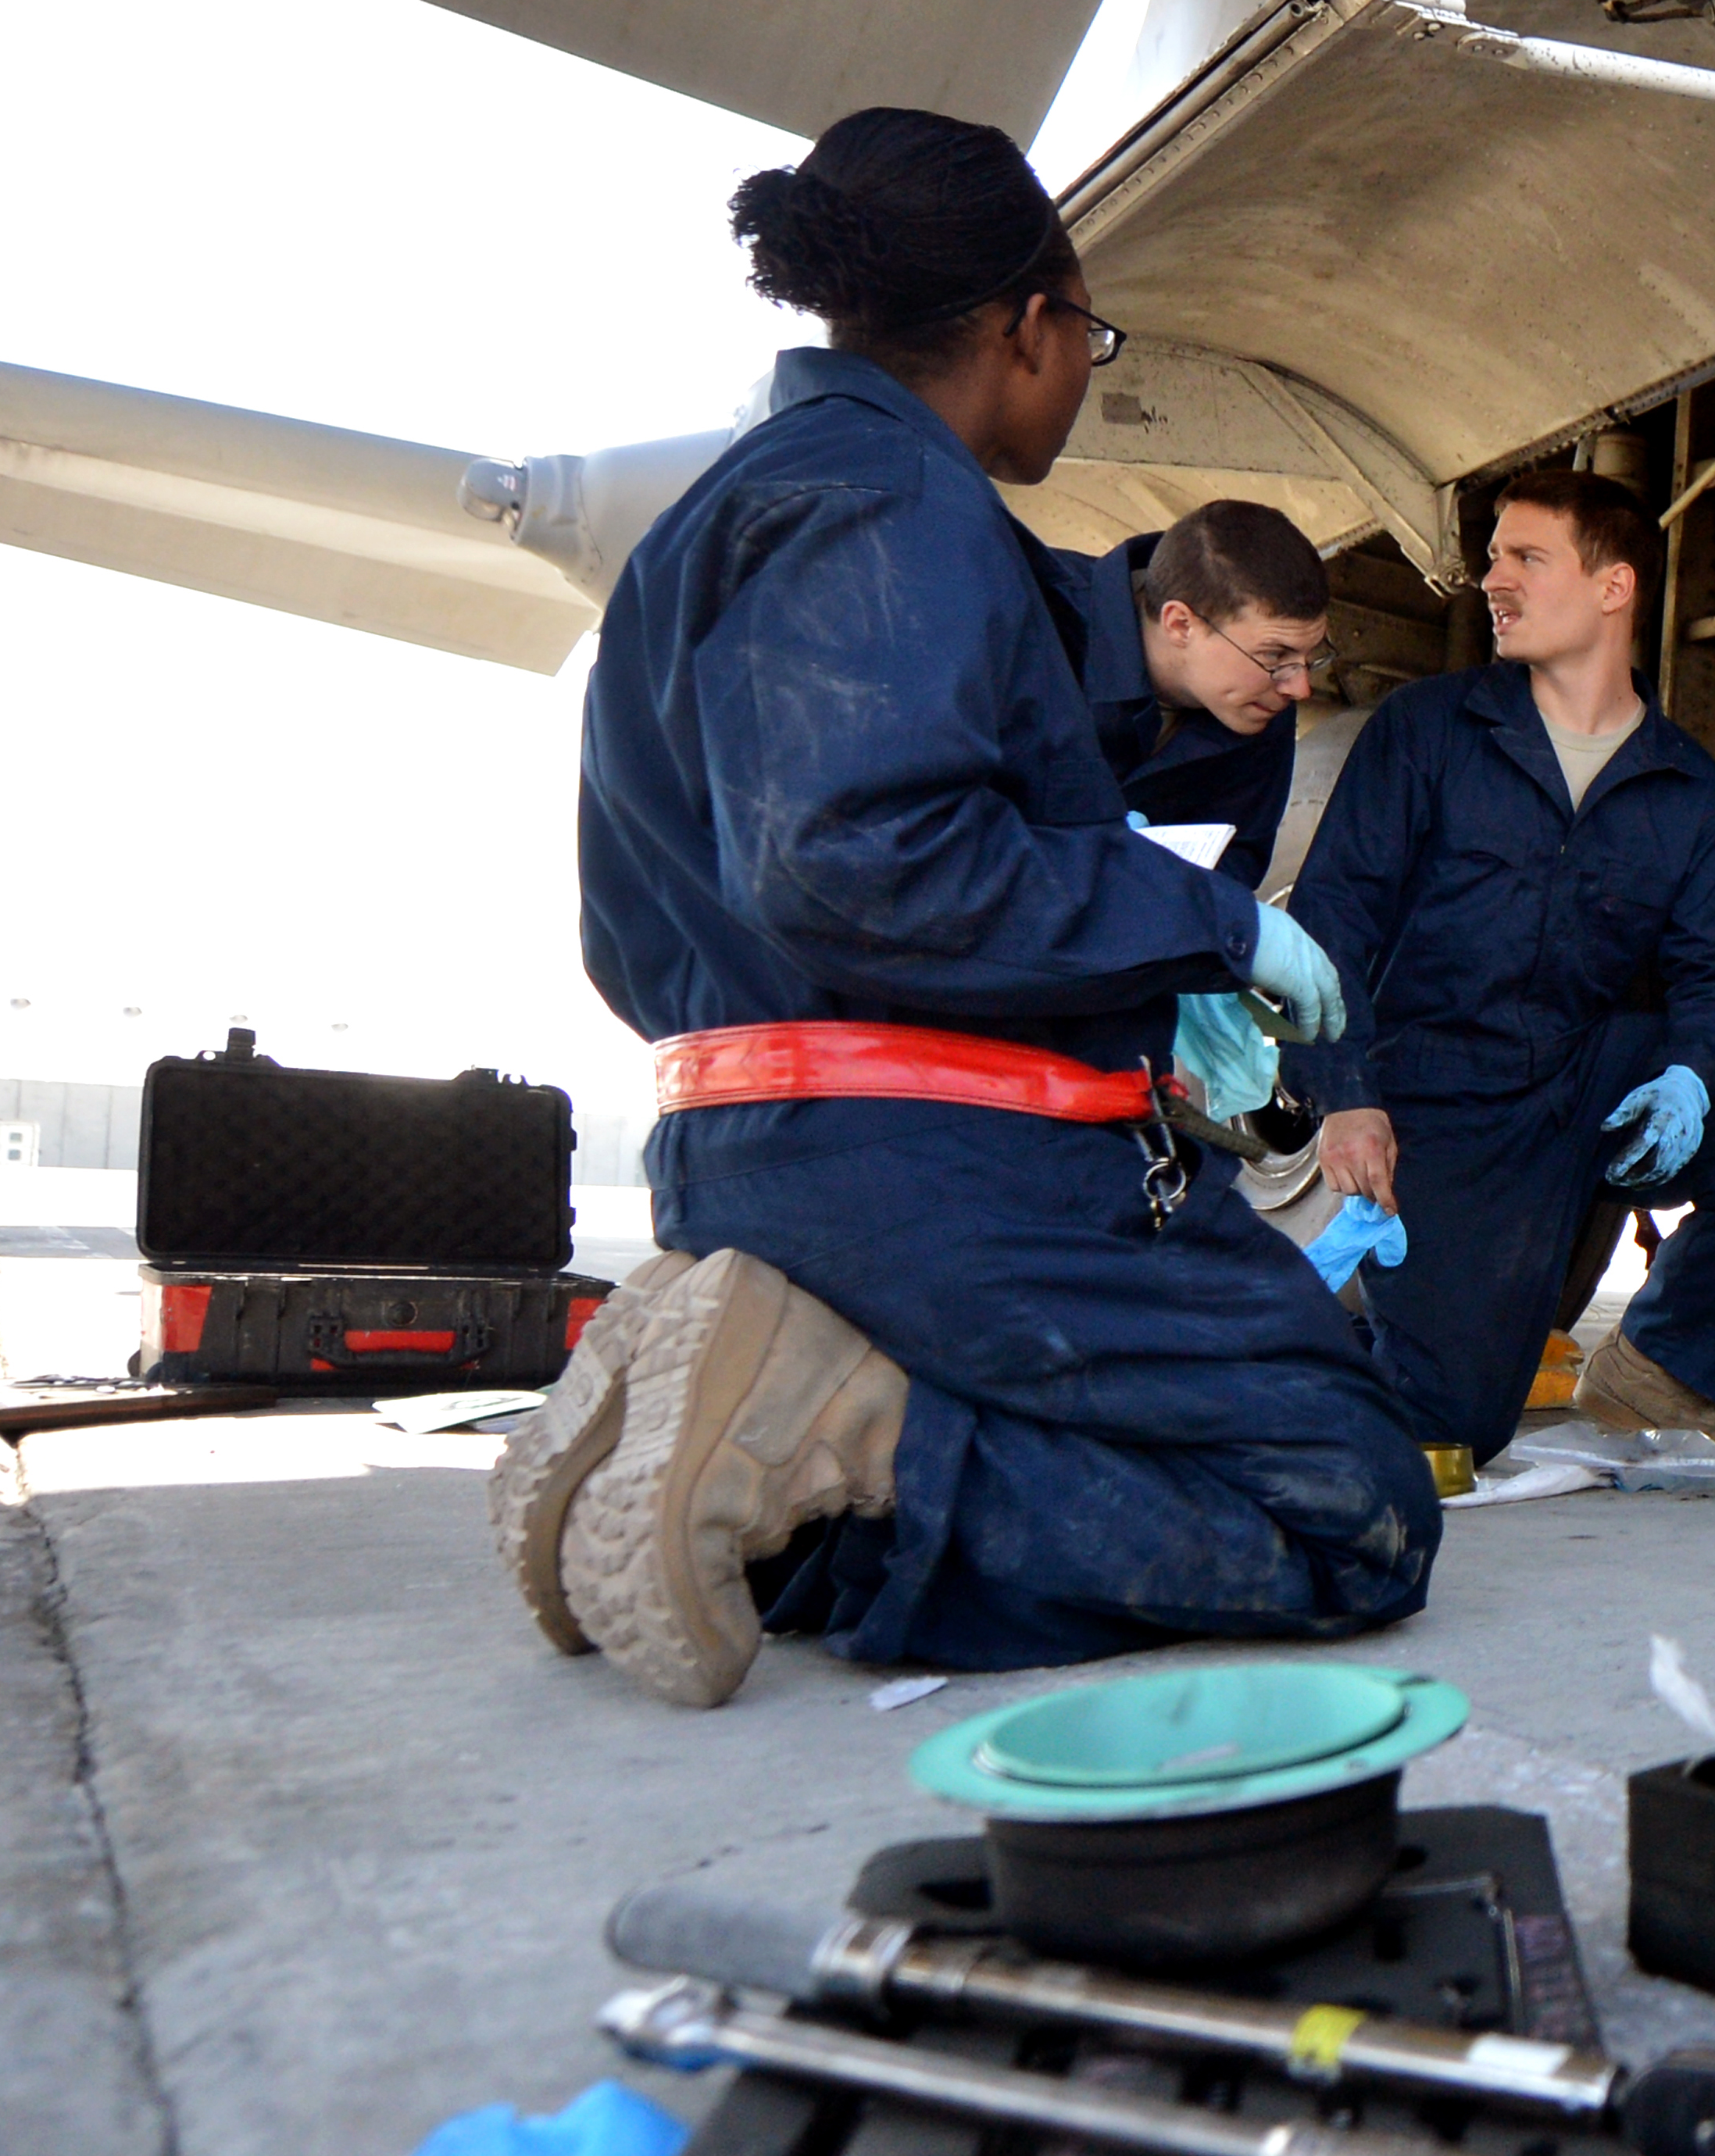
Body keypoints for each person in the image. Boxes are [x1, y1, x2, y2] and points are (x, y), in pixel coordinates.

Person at [490, 106, 1439, 1708]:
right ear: (1030, 325)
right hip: (944, 1166)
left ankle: (734, 1467)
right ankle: (851, 1416)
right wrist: (1208, 932)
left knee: (1103, 1442)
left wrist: (1176, 664)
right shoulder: (891, 509)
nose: (1086, 370)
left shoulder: (728, 526)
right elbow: (868, 851)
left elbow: (972, 687)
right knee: (1345, 1487)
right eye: (1091, 334)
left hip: (753, 1144)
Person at [1287, 467, 1715, 1462]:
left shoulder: (1684, 788)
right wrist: (1343, 1095)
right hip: (1446, 1101)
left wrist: (1689, 1075)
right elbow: (1332, 922)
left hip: (1590, 1077)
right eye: (1493, 556)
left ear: (1612, 586)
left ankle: (1663, 1375)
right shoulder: (1429, 734)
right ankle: (1270, 1351)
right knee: (1451, 1425)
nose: (1492, 580)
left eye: (1524, 557)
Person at [1070, 498, 1331, 886]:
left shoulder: (1264, 701)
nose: (1299, 687)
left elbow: (1237, 860)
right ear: (1180, 624)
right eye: (1275, 655)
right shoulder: (1029, 621)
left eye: (1311, 656)